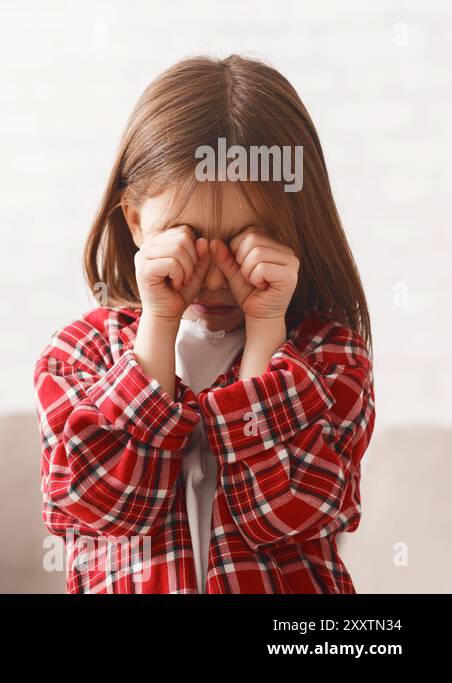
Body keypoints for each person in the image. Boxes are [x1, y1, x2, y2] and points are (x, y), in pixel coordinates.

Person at [35, 55, 376, 593]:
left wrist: (266, 332)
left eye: (250, 237)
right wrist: (159, 324)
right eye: (187, 234)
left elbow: (286, 516)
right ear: (134, 222)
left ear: (298, 226)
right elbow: (103, 507)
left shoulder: (332, 357)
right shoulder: (79, 353)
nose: (217, 275)